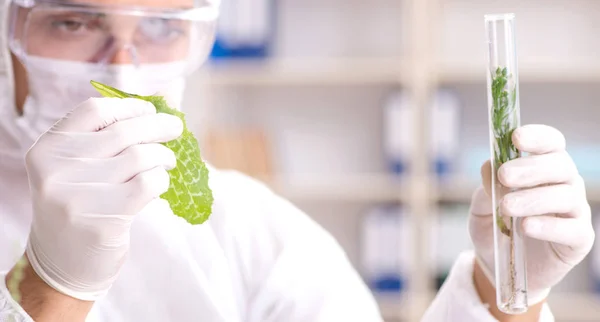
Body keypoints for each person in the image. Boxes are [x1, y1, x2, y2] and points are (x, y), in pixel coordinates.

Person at [0, 0, 594, 320]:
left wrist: (501, 297)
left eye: (161, 25)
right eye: (73, 21)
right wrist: (48, 294)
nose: (123, 67)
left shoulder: (250, 228)